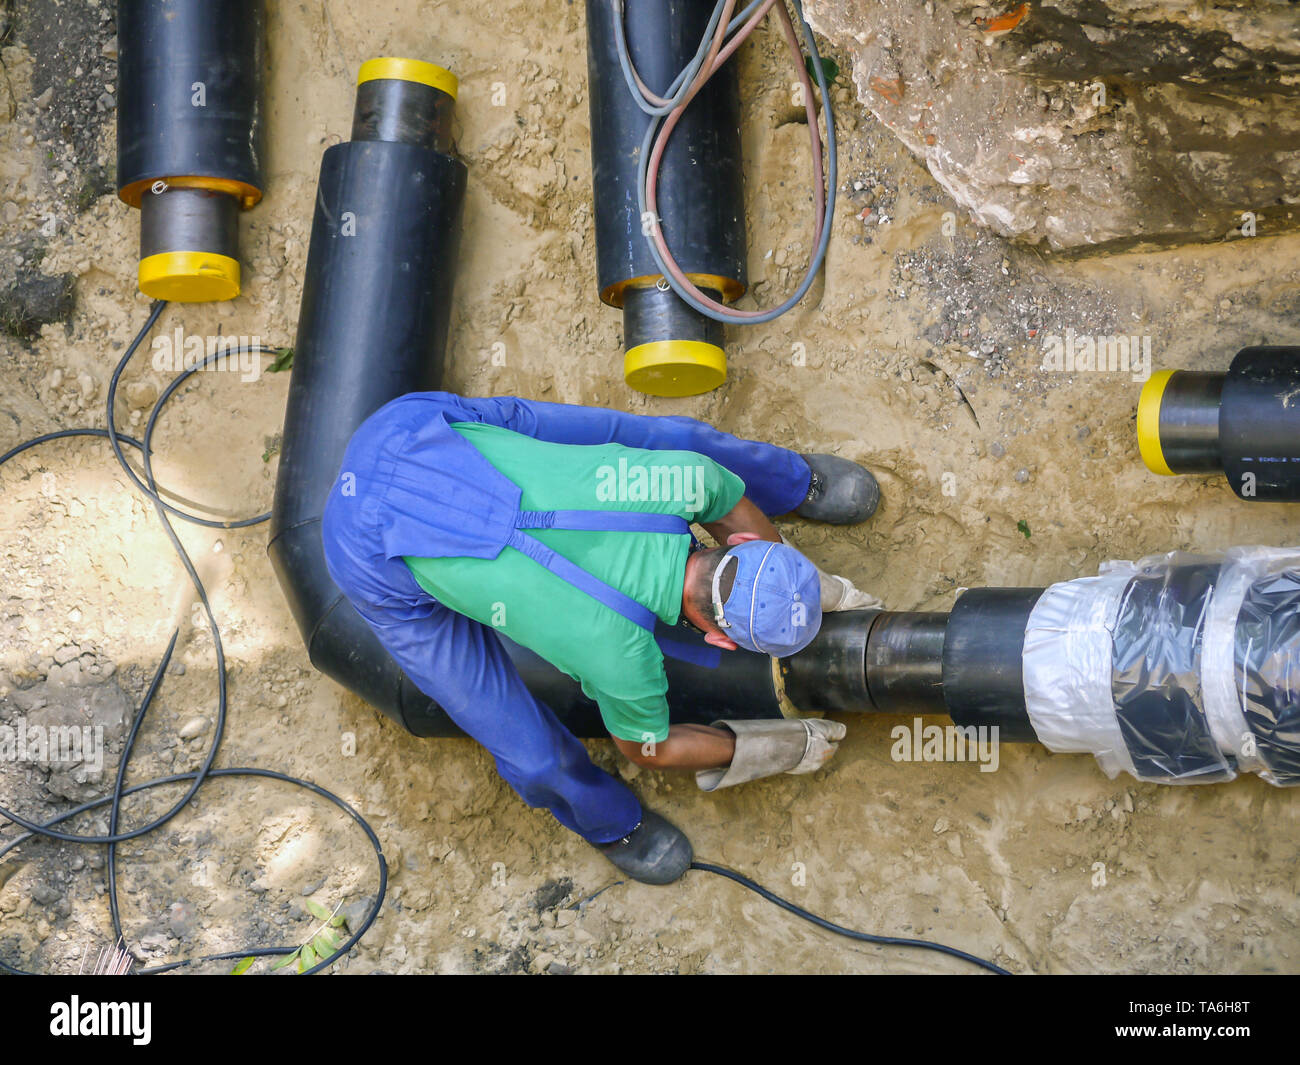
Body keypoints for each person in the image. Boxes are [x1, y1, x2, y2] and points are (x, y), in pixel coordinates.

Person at [322, 392, 880, 884]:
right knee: (536, 760)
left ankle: (790, 482)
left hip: (412, 436)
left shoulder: (687, 479)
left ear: (732, 543)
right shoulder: (618, 654)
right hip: (372, 546)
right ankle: (613, 825)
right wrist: (769, 748)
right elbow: (648, 748)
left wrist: (797, 586)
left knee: (680, 439)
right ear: (721, 641)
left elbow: (733, 509)